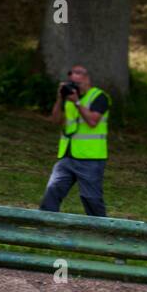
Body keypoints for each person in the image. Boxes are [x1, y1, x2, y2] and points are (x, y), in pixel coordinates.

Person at [40, 64, 111, 217]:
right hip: (67, 155)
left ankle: (102, 231)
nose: (75, 87)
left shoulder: (99, 97)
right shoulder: (68, 99)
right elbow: (54, 120)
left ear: (87, 79)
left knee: (91, 198)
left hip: (90, 158)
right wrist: (60, 98)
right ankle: (44, 225)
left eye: (77, 84)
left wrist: (77, 102)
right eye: (72, 83)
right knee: (52, 191)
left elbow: (93, 122)